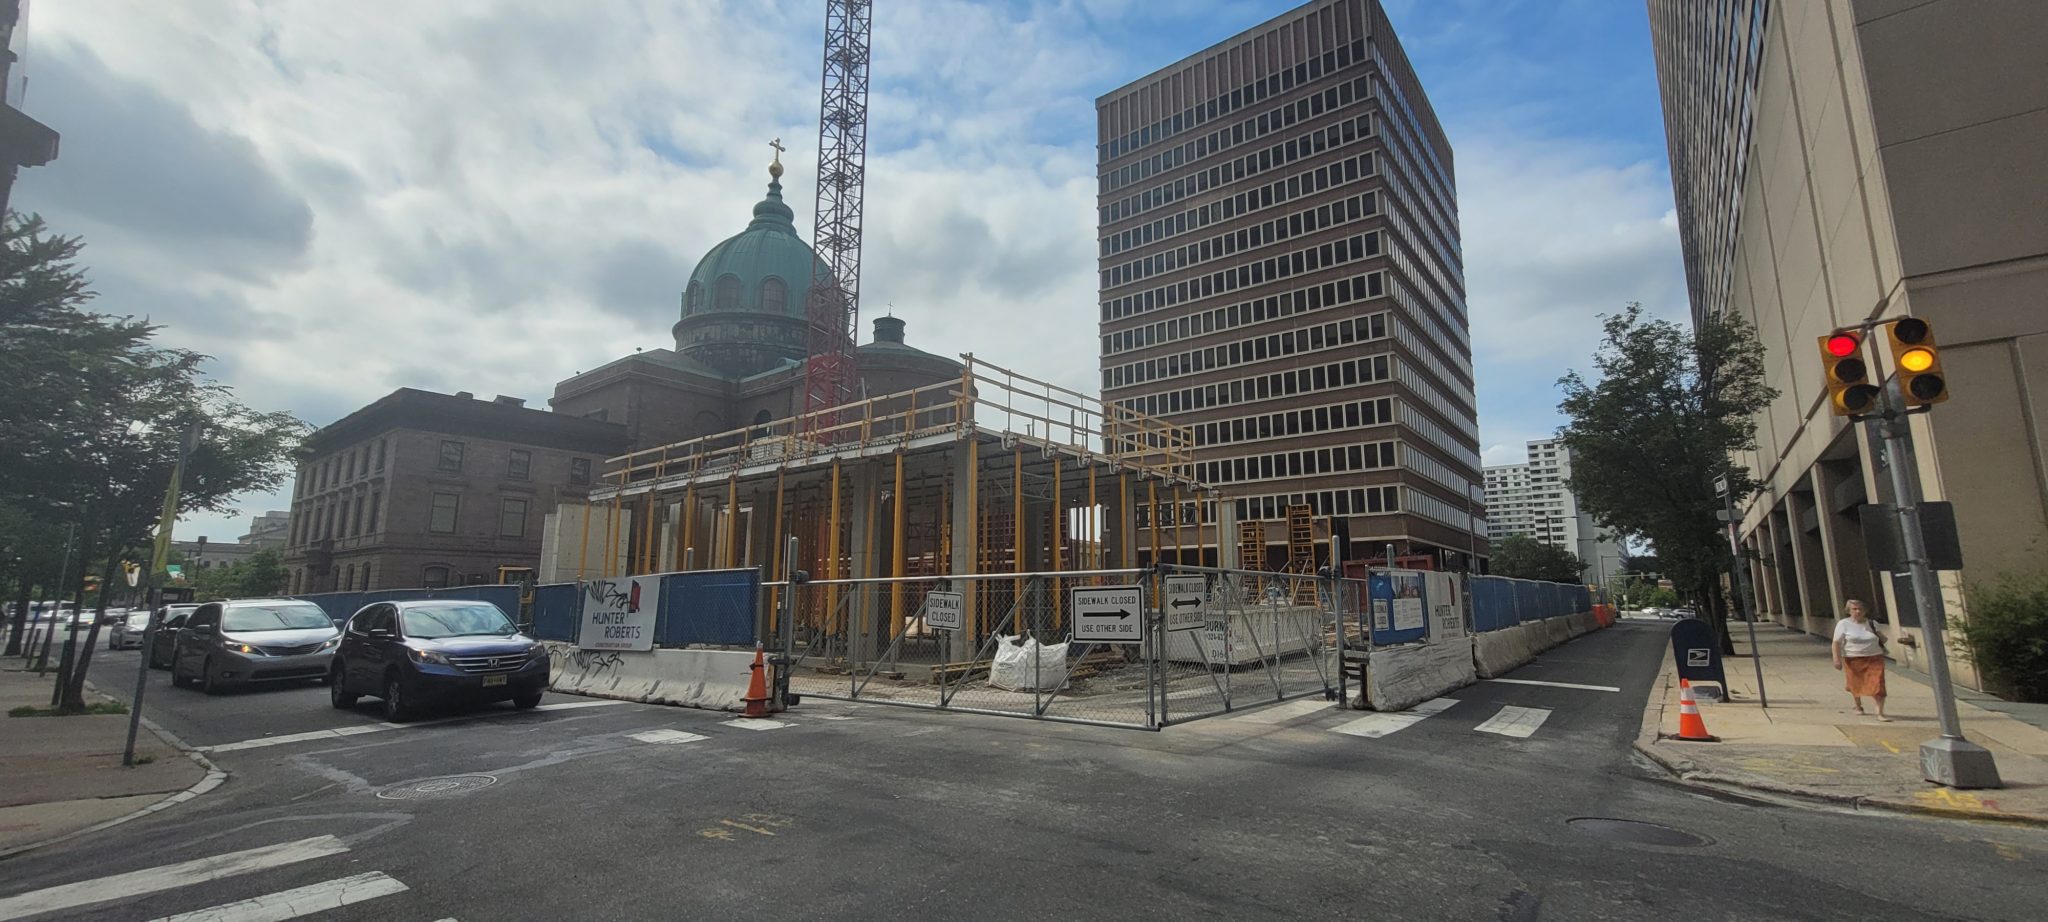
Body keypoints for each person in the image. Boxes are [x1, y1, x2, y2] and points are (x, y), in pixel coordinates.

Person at [1832, 599, 1891, 720]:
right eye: (1854, 609)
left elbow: (1883, 639)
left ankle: (1880, 712)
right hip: (1853, 658)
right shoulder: (1843, 624)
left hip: (1874, 657)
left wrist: (1877, 634)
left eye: (1860, 609)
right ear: (1849, 611)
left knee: (1878, 684)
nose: (1858, 611)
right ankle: (1858, 705)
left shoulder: (1872, 623)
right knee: (1855, 684)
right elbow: (1836, 642)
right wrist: (1836, 659)